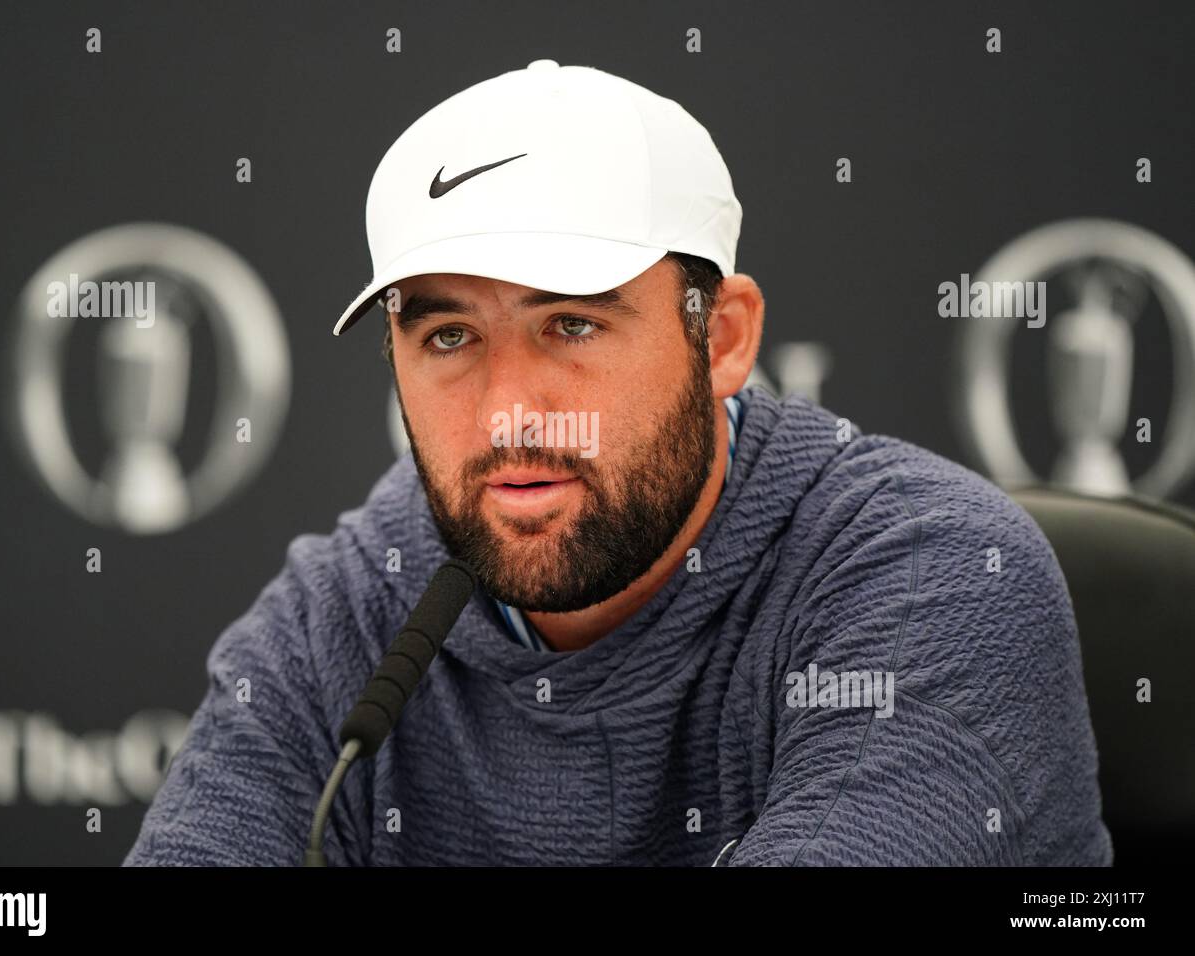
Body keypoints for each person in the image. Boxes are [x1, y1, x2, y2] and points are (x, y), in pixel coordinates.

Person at [124, 60, 1111, 866]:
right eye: (449, 336)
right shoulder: (345, 611)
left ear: (721, 338)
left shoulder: (937, 576)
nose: (507, 412)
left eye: (569, 323)